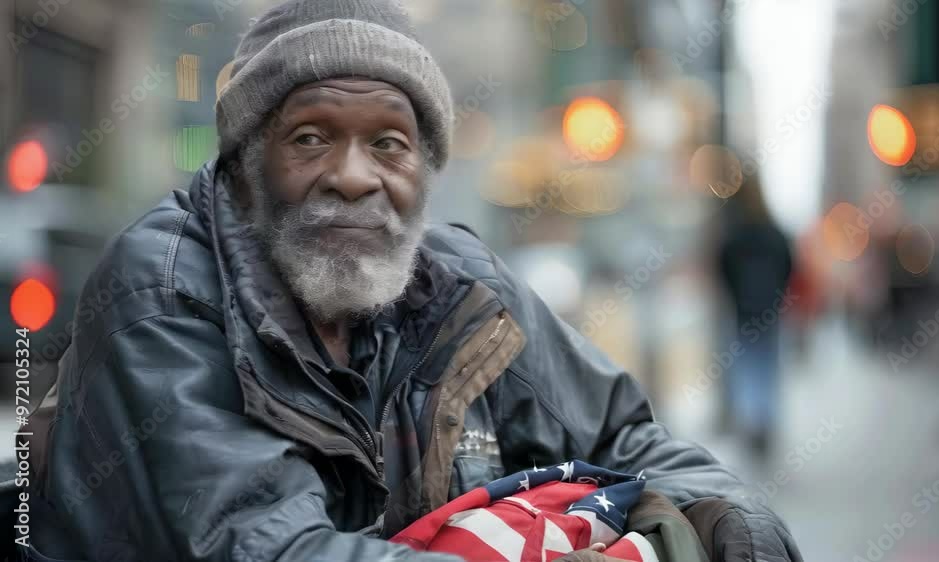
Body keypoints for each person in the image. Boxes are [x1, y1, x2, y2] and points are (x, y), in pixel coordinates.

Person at [25, 1, 801, 560]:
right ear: (245, 164)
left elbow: (623, 437)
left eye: (389, 144)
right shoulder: (163, 291)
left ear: (423, 170)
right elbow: (263, 547)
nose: (354, 176)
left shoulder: (463, 284)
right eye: (310, 137)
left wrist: (737, 525)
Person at [716, 174, 794, 457]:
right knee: (767, 366)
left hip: (743, 311)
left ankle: (753, 422)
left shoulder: (734, 232)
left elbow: (722, 266)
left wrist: (735, 295)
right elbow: (789, 264)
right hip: (769, 309)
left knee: (746, 365)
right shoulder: (774, 232)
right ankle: (764, 421)